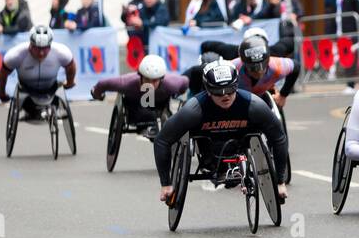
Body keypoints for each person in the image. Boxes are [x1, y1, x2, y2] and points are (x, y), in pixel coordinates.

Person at [154, 59, 289, 207]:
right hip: (209, 152)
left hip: (241, 143)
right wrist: (166, 184)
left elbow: (278, 137)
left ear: (236, 85)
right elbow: (162, 140)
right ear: (208, 90)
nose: (225, 96)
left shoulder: (253, 104)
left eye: (230, 90)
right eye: (218, 91)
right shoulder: (193, 109)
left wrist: (280, 182)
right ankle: (217, 169)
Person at [91, 54, 188, 138]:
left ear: (161, 79)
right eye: (147, 79)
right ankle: (147, 124)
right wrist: (97, 95)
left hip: (159, 104)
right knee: (146, 107)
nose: (150, 84)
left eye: (154, 81)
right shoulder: (127, 82)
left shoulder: (171, 84)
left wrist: (179, 92)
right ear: (140, 76)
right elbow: (102, 84)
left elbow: (185, 82)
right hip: (135, 105)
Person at [0, 24, 76, 121]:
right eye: (38, 48)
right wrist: (2, 93)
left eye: (45, 48)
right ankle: (33, 113)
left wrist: (70, 82)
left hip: (50, 90)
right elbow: (3, 73)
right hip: (27, 92)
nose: (41, 53)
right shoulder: (15, 55)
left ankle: (52, 110)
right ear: (30, 44)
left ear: (50, 45)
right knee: (28, 105)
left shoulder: (62, 52)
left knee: (58, 92)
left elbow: (71, 67)